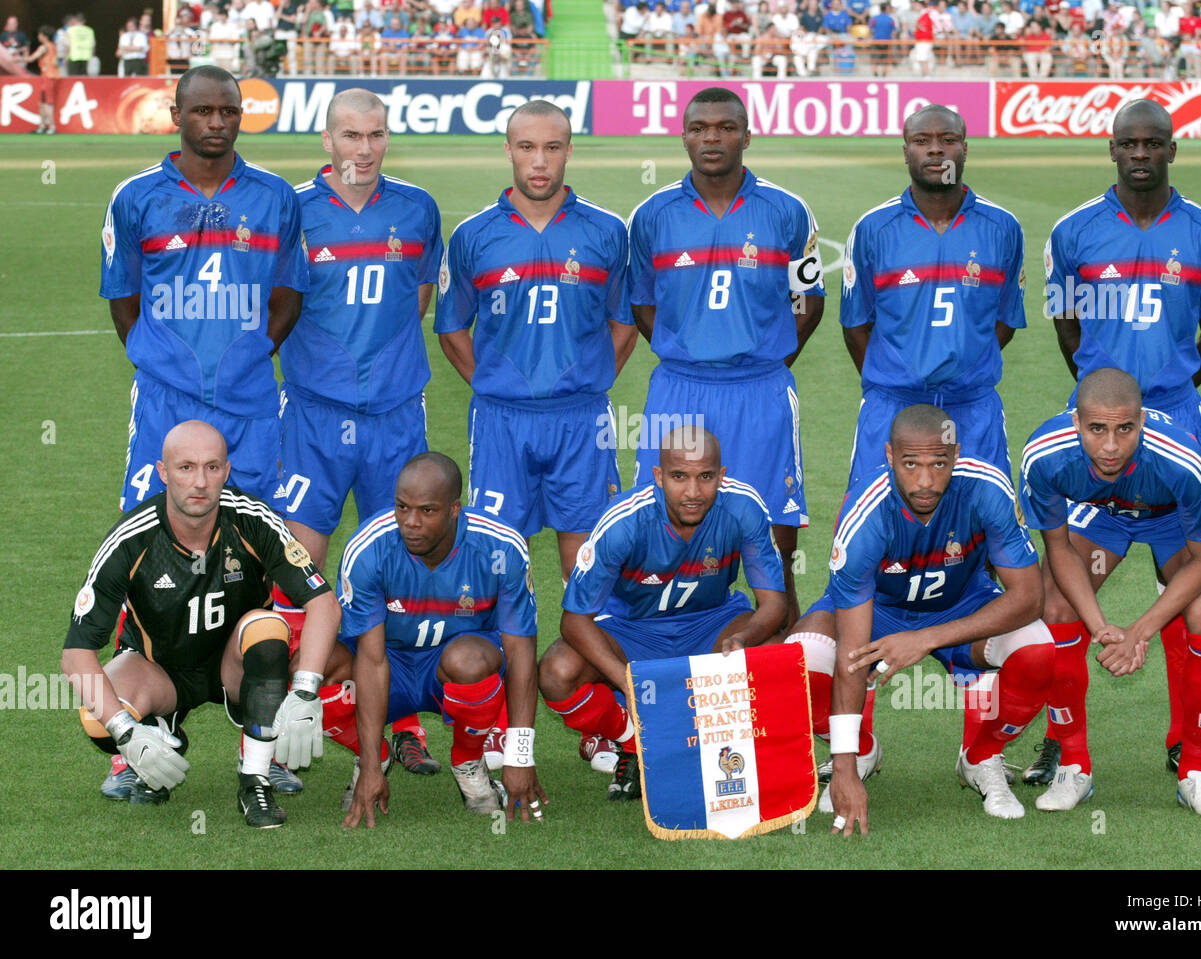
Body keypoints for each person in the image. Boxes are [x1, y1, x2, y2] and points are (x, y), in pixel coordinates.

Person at [1035, 99, 1201, 786]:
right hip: (1097, 437)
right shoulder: (1074, 232)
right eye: (1130, 143)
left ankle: (1191, 754)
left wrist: (1163, 399)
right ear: (1113, 149)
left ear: (1173, 151)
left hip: (1176, 428)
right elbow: (1065, 322)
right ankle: (1070, 756)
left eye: (1155, 143)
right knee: (1057, 601)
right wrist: (1106, 402)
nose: (1142, 154)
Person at [435, 100, 635, 769]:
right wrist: (495, 384)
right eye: (526, 147)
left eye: (552, 147)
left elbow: (626, 321)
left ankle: (601, 722)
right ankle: (490, 726)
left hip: (582, 423)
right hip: (501, 425)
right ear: (509, 151)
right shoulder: (474, 236)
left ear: (570, 149)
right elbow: (451, 328)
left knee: (589, 573)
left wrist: (585, 380)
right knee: (494, 568)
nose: (539, 161)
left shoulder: (607, 231)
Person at [61, 421, 341, 827]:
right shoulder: (130, 538)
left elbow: (324, 603)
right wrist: (125, 732)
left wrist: (305, 691)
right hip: (160, 669)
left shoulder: (252, 519)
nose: (200, 482)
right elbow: (76, 656)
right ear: (162, 472)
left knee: (267, 629)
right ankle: (157, 735)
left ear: (227, 472)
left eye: (212, 468)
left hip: (236, 663)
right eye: (186, 467)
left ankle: (255, 779)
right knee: (97, 717)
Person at [280, 88, 444, 774]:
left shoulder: (416, 208)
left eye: (376, 135)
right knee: (293, 576)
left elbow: (421, 299)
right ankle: (277, 725)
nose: (365, 149)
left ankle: (400, 722)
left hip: (396, 419)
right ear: (327, 140)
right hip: (314, 419)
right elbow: (277, 305)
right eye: (351, 135)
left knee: (400, 572)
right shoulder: (293, 211)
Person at [628, 87, 823, 632]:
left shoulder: (787, 211)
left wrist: (766, 358)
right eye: (699, 127)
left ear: (746, 134)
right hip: (679, 389)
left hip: (760, 390)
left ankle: (785, 651)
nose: (712, 137)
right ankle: (661, 655)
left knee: (775, 537)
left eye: (725, 126)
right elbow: (642, 302)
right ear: (684, 135)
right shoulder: (652, 215)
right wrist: (690, 352)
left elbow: (808, 302)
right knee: (662, 534)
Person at [803, 406, 1051, 833]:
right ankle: (859, 752)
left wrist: (926, 638)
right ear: (889, 456)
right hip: (878, 614)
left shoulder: (985, 488)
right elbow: (851, 651)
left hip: (961, 605)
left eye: (939, 463)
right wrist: (842, 769)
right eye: (910, 464)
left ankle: (980, 756)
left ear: (956, 455)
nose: (924, 480)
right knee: (803, 658)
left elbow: (1029, 597)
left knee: (1037, 650)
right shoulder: (866, 513)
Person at [1019, 369, 1201, 817]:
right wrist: (1100, 627)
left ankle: (1195, 769)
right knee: (1056, 609)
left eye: (1124, 429)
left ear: (1142, 422)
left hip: (1171, 517)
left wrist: (1139, 631)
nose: (1111, 446)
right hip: (1102, 514)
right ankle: (1074, 764)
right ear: (1076, 421)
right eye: (1097, 429)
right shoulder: (1045, 455)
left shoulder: (1183, 460)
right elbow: (1057, 547)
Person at [100, 65, 308, 514]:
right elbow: (124, 305)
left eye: (229, 111)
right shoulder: (135, 196)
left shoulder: (276, 196)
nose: (217, 122)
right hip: (164, 396)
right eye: (203, 111)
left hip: (249, 395)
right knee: (151, 533)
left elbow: (288, 298)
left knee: (253, 537)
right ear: (177, 116)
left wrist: (248, 352)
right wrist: (163, 356)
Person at [539, 426, 787, 800]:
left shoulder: (743, 507)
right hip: (632, 630)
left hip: (711, 624)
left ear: (722, 476)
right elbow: (574, 620)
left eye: (705, 477)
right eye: (678, 477)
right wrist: (627, 682)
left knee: (773, 648)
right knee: (558, 671)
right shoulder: (624, 522)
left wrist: (743, 639)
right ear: (658, 476)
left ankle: (722, 746)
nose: (692, 492)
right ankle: (631, 741)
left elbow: (774, 604)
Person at [322, 453, 547, 827]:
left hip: (454, 668)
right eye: (402, 507)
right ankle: (373, 759)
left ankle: (467, 760)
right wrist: (368, 761)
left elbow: (521, 652)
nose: (411, 522)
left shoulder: (501, 548)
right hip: (388, 666)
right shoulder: (369, 549)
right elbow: (373, 660)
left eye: (427, 510)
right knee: (319, 671)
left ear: (455, 508)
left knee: (471, 661)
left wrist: (519, 755)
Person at [840, 105, 1025, 493]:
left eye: (948, 140)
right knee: (876, 536)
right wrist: (894, 379)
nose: (936, 151)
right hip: (892, 407)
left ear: (965, 149)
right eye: (922, 141)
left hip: (973, 408)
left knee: (989, 532)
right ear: (906, 151)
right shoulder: (874, 228)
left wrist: (967, 363)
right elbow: (856, 324)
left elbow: (1004, 319)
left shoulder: (1003, 227)